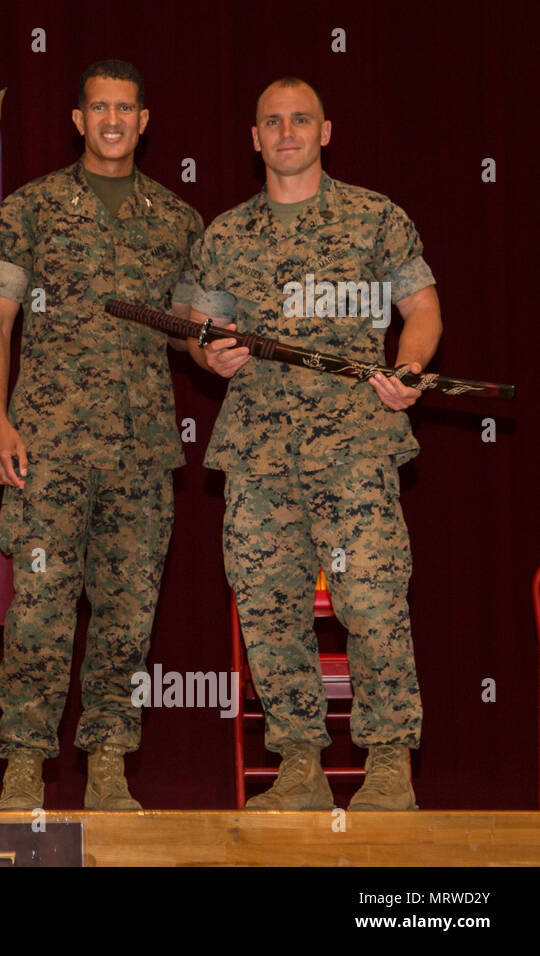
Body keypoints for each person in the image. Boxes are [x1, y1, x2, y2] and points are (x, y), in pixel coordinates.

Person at [188, 78, 440, 811]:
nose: (287, 132)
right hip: (260, 450)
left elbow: (420, 308)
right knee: (269, 606)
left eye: (301, 120)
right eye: (273, 122)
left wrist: (411, 368)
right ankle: (299, 766)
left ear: (325, 132)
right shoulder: (227, 235)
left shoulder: (374, 218)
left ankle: (389, 764)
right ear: (255, 137)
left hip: (356, 442)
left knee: (372, 596)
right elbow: (201, 335)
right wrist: (213, 356)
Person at [0, 60, 203, 811]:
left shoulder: (178, 221)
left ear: (144, 121)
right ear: (79, 119)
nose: (113, 120)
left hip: (142, 455)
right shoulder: (31, 208)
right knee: (39, 610)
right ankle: (23, 769)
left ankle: (108, 767)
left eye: (126, 108)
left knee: (128, 617)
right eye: (99, 107)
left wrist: (216, 348)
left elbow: (190, 337)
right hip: (46, 448)